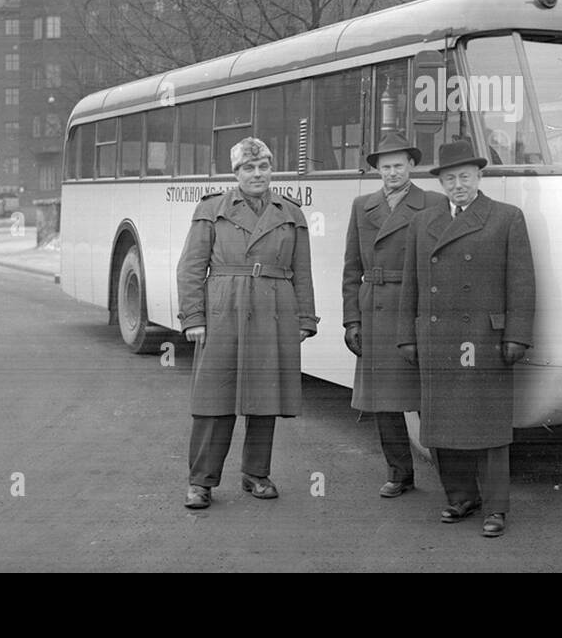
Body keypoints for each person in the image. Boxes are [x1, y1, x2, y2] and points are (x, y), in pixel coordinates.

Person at [397, 139, 535, 537]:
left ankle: (495, 508)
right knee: (442, 424)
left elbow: (522, 283)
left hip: (485, 338)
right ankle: (460, 497)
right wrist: (407, 335)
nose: (458, 184)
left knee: (489, 428)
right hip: (437, 337)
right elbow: (413, 283)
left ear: (479, 177)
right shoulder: (423, 222)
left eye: (465, 176)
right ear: (440, 182)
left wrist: (517, 336)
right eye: (450, 178)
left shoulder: (507, 217)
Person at [177, 137, 318, 509]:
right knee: (214, 398)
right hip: (224, 308)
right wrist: (193, 316)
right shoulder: (212, 209)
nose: (257, 174)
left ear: (272, 170)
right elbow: (191, 267)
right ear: (236, 173)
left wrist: (305, 318)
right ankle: (201, 482)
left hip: (275, 310)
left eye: (264, 167)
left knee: (264, 396)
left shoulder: (290, 212)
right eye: (248, 168)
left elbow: (301, 271)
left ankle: (256, 474)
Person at [341, 133, 426, 497]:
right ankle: (399, 473)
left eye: (399, 165)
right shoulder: (362, 206)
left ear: (411, 165)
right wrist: (352, 320)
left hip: (417, 307)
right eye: (385, 167)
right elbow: (351, 267)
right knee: (383, 401)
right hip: (373, 308)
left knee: (428, 396)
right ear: (377, 170)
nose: (392, 172)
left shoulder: (433, 203)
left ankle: (456, 478)